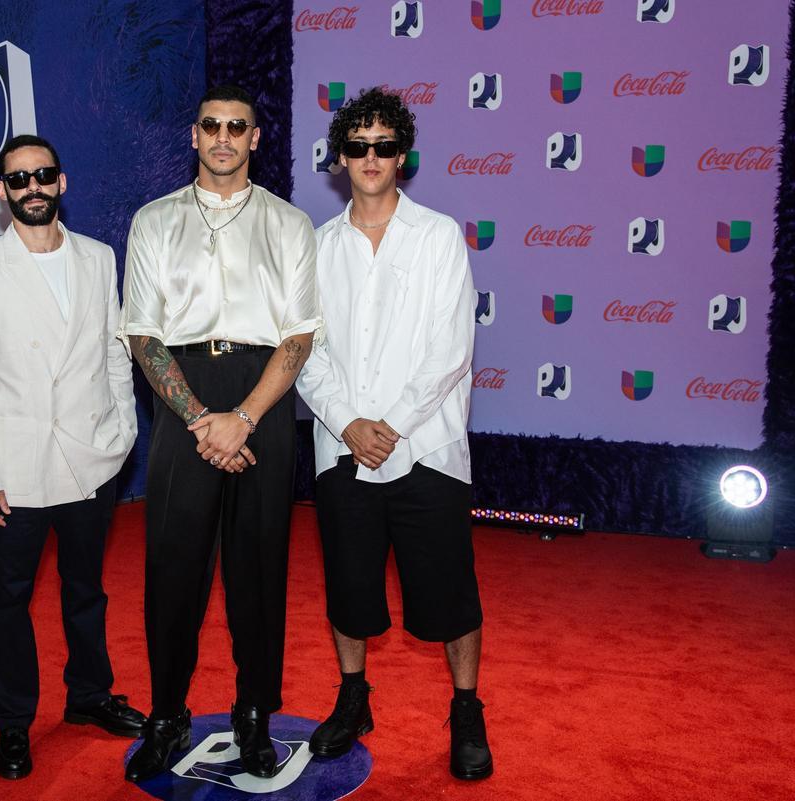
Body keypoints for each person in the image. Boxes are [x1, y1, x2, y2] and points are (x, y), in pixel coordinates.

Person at [118, 85, 320, 782]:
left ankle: (254, 712)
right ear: (194, 135)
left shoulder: (291, 224)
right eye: (212, 126)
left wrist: (246, 417)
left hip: (262, 399)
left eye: (239, 127)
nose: (225, 137)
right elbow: (141, 333)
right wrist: (202, 418)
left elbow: (298, 335)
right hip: (184, 407)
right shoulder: (153, 221)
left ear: (257, 139)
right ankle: (168, 712)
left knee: (260, 571)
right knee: (173, 569)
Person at [295, 88, 494, 781]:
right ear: (340, 157)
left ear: (402, 155)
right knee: (349, 589)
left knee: (450, 596)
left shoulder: (438, 235)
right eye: (358, 145)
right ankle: (354, 697)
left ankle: (467, 708)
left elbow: (450, 349)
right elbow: (304, 350)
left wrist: (391, 426)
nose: (371, 157)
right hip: (339, 445)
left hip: (428, 447)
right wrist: (348, 423)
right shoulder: (315, 248)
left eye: (384, 145)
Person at [0, 134, 145, 781]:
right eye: (18, 179)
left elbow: (118, 355)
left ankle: (89, 696)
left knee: (86, 590)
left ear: (61, 182)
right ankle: (14, 725)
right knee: (11, 598)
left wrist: (119, 438)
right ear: (3, 191)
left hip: (89, 461)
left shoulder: (97, 257)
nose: (32, 186)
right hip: (15, 468)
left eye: (43, 175)